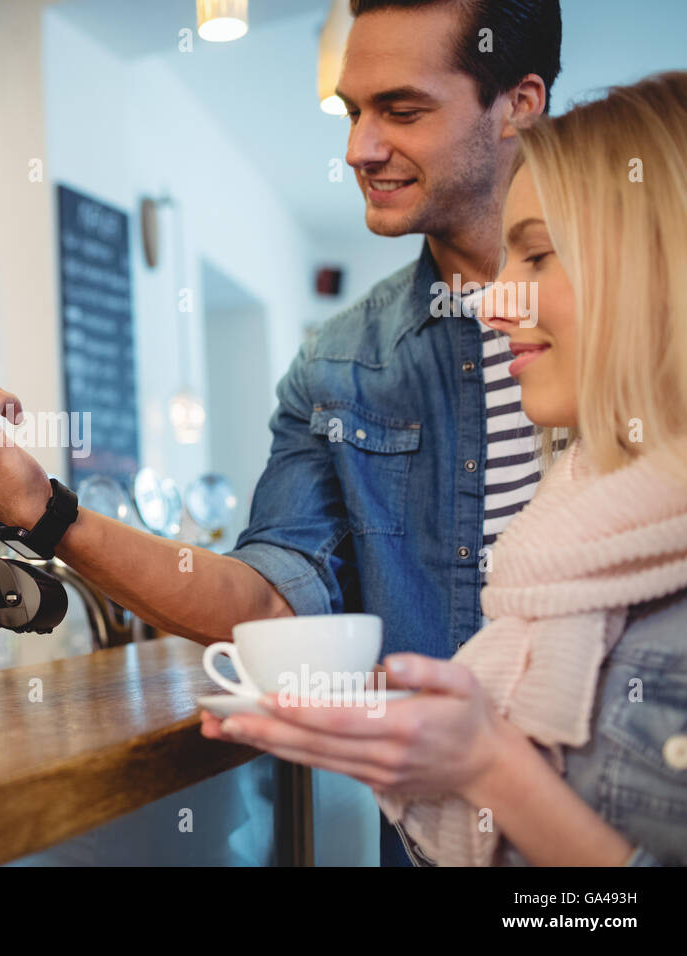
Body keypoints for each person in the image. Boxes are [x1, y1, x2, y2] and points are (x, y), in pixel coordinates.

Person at [0, 0, 561, 865]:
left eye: (401, 110)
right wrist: (41, 508)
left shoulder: (648, 305)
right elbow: (266, 600)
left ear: (519, 101)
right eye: (351, 111)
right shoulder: (337, 362)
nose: (358, 148)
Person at [203, 71, 687, 866]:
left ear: (657, 265)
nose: (494, 305)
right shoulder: (572, 530)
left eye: (538, 256)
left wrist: (490, 765)